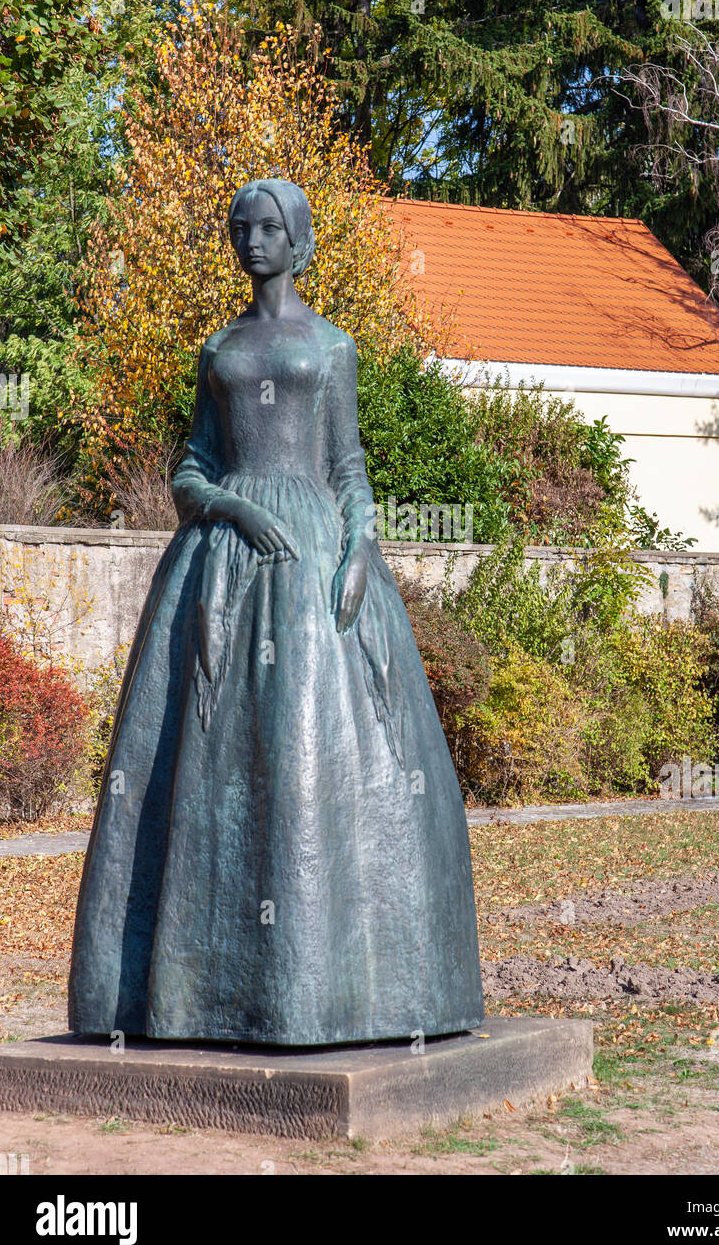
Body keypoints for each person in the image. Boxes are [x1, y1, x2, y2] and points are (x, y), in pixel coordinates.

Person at [68, 178, 485, 1045]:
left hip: (316, 558)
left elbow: (349, 464)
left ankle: (337, 984)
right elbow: (189, 470)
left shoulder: (333, 347)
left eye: (268, 228)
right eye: (239, 228)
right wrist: (231, 508)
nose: (251, 241)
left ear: (298, 241)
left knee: (310, 756)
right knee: (205, 765)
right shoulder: (217, 349)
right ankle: (195, 990)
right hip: (223, 562)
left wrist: (362, 545)